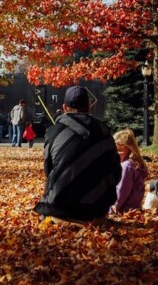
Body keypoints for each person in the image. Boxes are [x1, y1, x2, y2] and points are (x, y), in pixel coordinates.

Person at [33, 86, 121, 224]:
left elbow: (48, 169)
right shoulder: (104, 132)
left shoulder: (53, 132)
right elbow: (116, 172)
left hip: (60, 208)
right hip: (96, 210)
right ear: (89, 106)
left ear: (64, 107)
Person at [111, 129, 149, 213]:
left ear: (128, 149)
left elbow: (122, 192)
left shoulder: (126, 167)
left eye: (118, 151)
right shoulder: (134, 164)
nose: (115, 154)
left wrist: (112, 209)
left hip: (124, 210)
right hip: (133, 208)